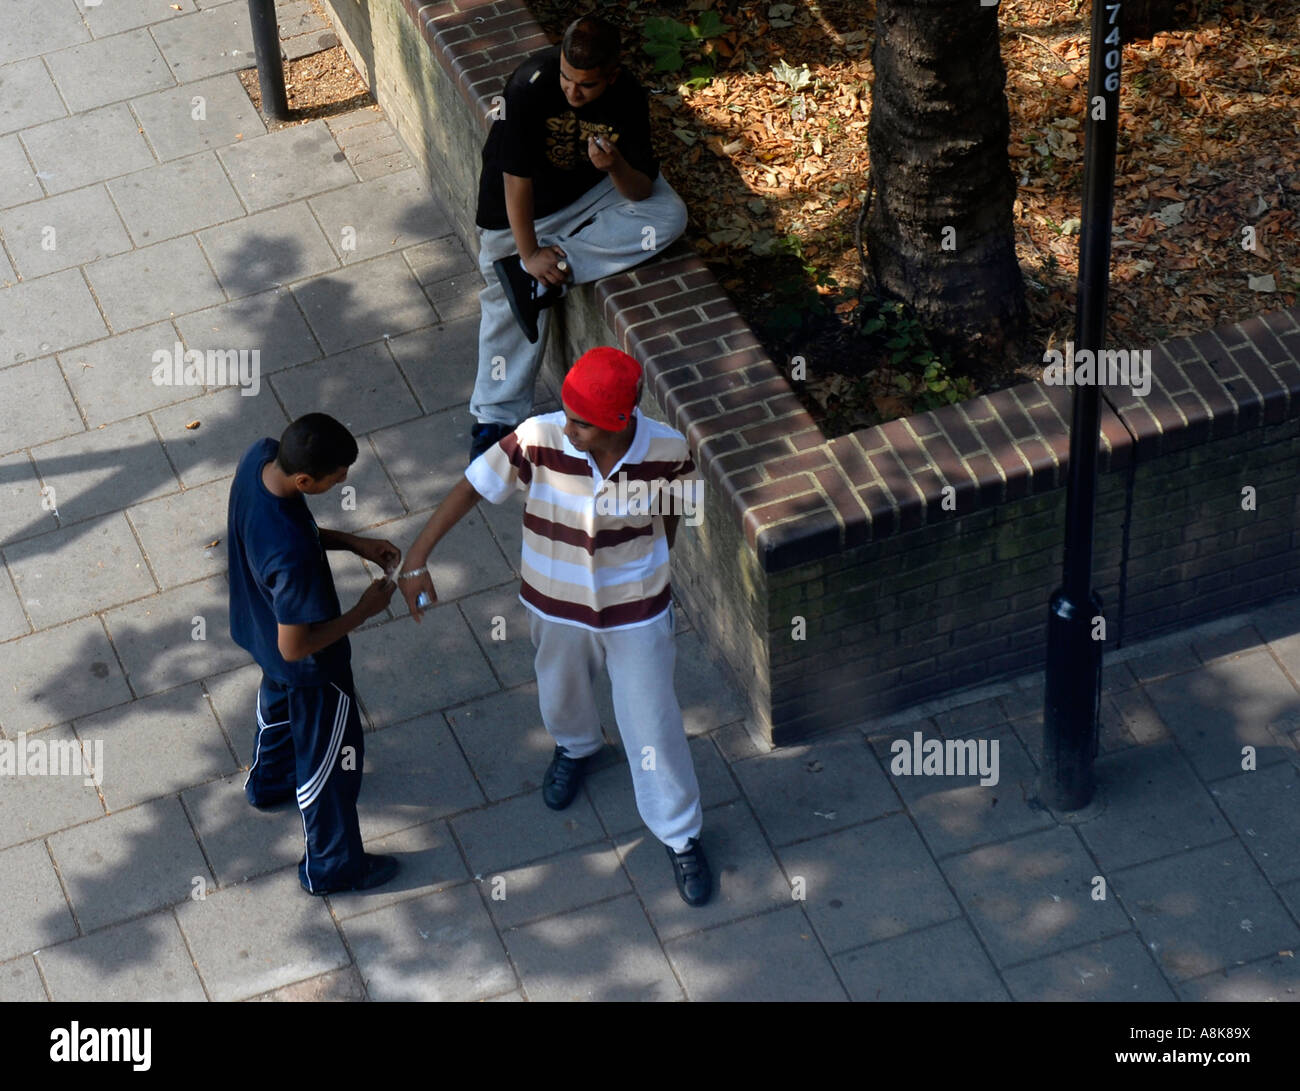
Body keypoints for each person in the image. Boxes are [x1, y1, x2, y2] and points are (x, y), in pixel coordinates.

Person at [398, 347, 712, 905]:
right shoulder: (540, 438)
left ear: (620, 421)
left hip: (635, 609)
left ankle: (680, 834)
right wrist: (418, 557)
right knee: (559, 691)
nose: (568, 427)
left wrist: (651, 564)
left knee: (654, 721)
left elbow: (676, 512)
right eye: (567, 414)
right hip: (553, 600)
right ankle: (576, 747)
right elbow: (474, 485)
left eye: (581, 421)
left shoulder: (667, 448)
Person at [467, 14, 688, 462]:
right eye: (567, 78)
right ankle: (495, 419)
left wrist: (614, 168)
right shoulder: (529, 85)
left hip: (592, 192)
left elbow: (641, 190)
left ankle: (559, 264)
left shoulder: (627, 97)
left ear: (612, 75)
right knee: (505, 294)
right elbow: (515, 180)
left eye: (586, 86)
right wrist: (528, 253)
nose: (572, 92)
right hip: (517, 211)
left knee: (669, 215)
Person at [226, 413, 401, 896]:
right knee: (332, 768)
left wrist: (353, 542)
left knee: (277, 713)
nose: (343, 480)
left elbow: (297, 527)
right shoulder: (293, 560)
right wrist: (363, 611)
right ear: (304, 479)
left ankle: (270, 783)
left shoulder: (258, 458)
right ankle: (333, 867)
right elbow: (297, 644)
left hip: (259, 636)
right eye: (336, 477)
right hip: (311, 669)